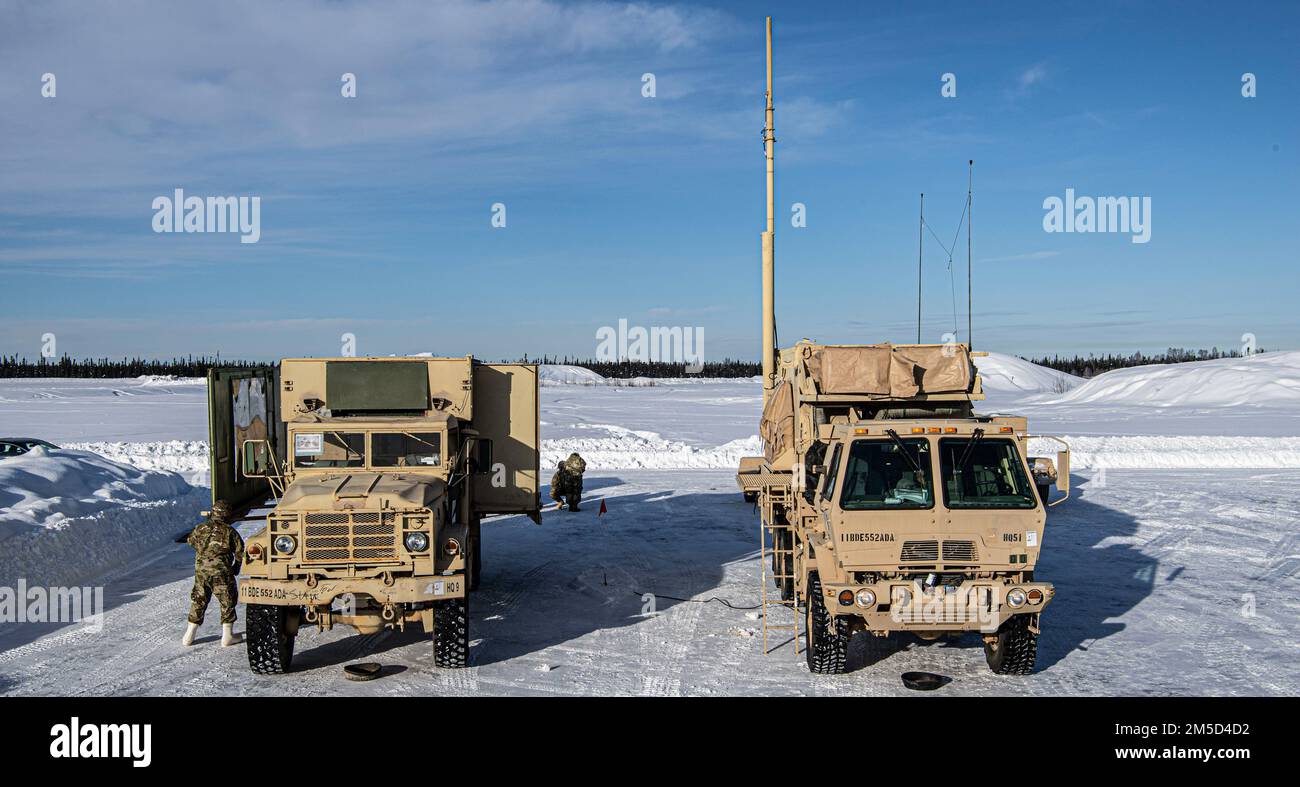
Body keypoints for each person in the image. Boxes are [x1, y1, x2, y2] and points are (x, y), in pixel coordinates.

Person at [182, 499, 245, 647]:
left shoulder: (200, 528)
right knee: (227, 600)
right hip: (222, 572)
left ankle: (188, 636)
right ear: (227, 515)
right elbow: (240, 552)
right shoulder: (230, 531)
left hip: (202, 572)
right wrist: (236, 566)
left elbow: (191, 541)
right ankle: (227, 636)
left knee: (199, 599)